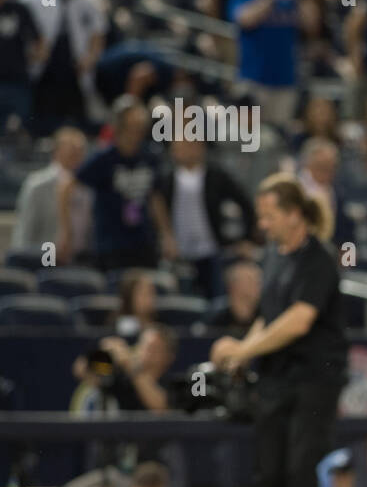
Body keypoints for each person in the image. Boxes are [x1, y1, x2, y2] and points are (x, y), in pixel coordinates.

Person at [211, 174, 348, 487]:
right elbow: (268, 318)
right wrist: (241, 353)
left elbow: (298, 322)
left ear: (293, 215)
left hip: (314, 380)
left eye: (270, 216)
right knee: (270, 469)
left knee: (300, 465)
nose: (263, 224)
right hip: (275, 378)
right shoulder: (271, 257)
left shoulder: (319, 259)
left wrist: (242, 350)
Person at [154, 134, 258, 298]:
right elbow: (156, 207)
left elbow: (246, 204)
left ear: (199, 147)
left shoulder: (216, 176)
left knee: (216, 297)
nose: (179, 149)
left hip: (212, 251)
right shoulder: (166, 178)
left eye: (185, 145)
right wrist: (166, 237)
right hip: (179, 254)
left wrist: (246, 239)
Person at [72, 97, 168, 272]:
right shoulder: (103, 158)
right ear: (119, 126)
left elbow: (155, 197)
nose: (136, 132)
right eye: (132, 126)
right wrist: (67, 230)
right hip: (111, 242)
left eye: (140, 127)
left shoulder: (150, 156)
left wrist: (167, 234)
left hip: (143, 239)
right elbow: (69, 186)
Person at [20, 0, 106, 132]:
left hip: (75, 67)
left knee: (77, 120)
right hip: (43, 68)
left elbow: (98, 33)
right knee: (42, 119)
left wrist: (90, 58)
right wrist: (31, 53)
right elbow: (22, 31)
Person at [227, 0, 302, 128]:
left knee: (278, 136)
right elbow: (245, 19)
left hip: (285, 81)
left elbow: (312, 24)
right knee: (246, 136)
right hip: (252, 80)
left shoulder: (288, 1)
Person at [12, 127, 88, 258]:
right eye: (71, 151)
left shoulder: (89, 186)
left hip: (81, 260)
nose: (77, 155)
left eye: (80, 151)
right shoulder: (37, 185)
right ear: (57, 151)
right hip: (47, 260)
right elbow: (25, 233)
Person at [0, 0, 46, 130]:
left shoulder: (18, 9)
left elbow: (38, 39)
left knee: (20, 126)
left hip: (17, 80)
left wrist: (35, 58)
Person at [205, 260, 262, 337]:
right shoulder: (216, 317)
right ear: (234, 286)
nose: (257, 286)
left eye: (258, 281)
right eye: (250, 281)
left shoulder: (264, 315)